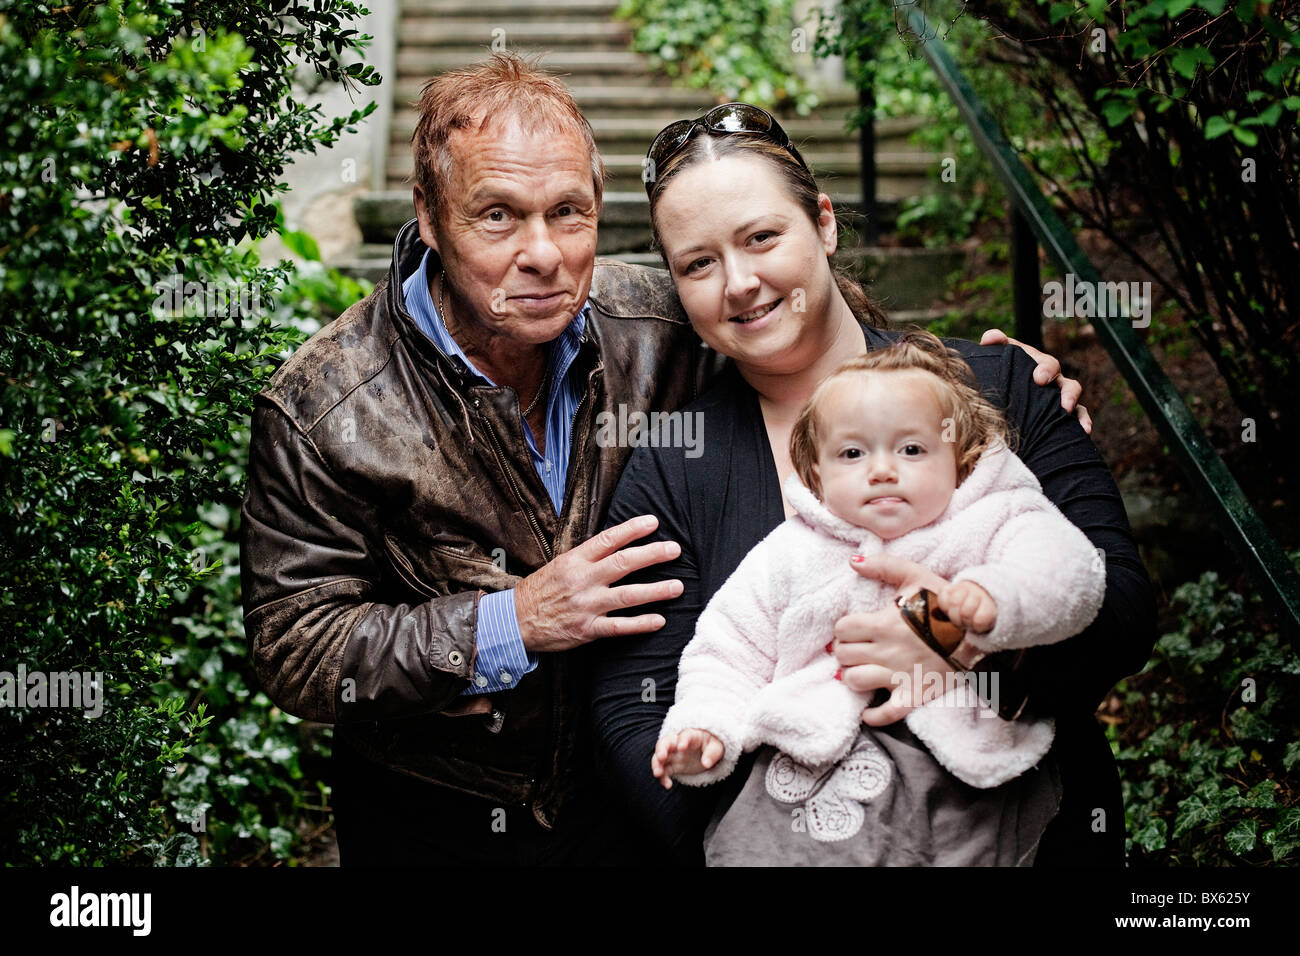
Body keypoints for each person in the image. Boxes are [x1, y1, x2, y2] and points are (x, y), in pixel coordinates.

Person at [239, 55, 1086, 866]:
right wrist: (509, 623)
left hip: (624, 810)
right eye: (497, 214)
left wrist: (982, 386)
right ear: (427, 215)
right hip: (440, 811)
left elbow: (798, 325)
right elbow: (293, 647)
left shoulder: (658, 323)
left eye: (568, 212)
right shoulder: (325, 406)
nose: (542, 253)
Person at [589, 103, 1157, 867]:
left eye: (762, 237)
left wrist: (949, 640)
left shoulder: (999, 388)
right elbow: (635, 711)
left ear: (822, 223)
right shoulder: (674, 465)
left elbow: (1119, 609)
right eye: (699, 264)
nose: (741, 283)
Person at [650, 331, 1108, 864]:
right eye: (852, 452)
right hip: (810, 767)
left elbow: (1072, 571)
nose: (883, 468)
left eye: (912, 449)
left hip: (958, 764)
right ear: (815, 471)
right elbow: (728, 648)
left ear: (958, 456)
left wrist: (995, 596)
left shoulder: (994, 518)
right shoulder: (792, 552)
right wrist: (706, 724)